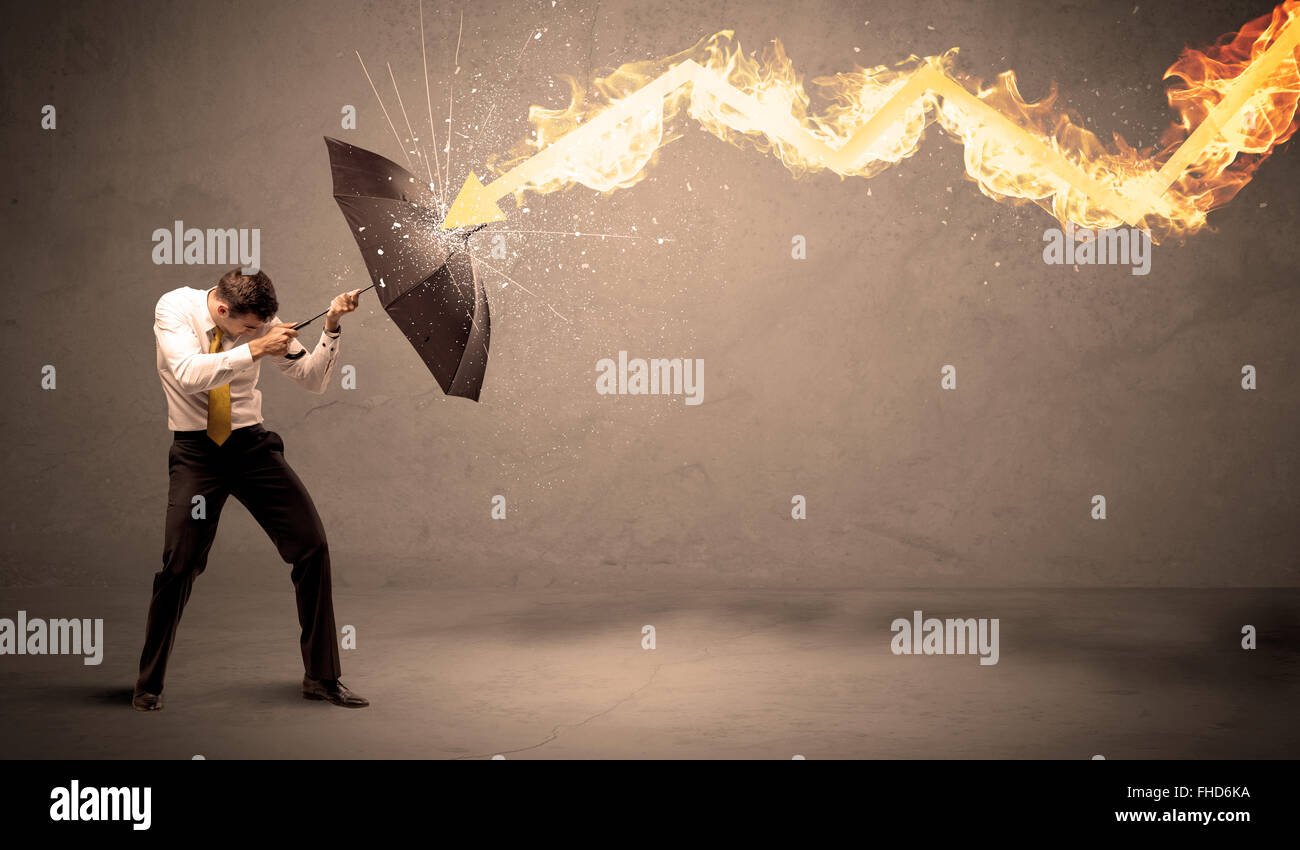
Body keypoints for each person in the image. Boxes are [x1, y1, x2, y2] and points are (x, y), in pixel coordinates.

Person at [132, 268, 369, 710]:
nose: (255, 333)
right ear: (223, 309)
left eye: (260, 326)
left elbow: (313, 379)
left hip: (251, 447)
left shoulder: (261, 325)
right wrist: (258, 347)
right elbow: (186, 373)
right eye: (247, 327)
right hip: (197, 454)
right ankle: (148, 684)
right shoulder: (174, 309)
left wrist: (331, 326)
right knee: (179, 565)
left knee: (312, 547)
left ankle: (321, 677)